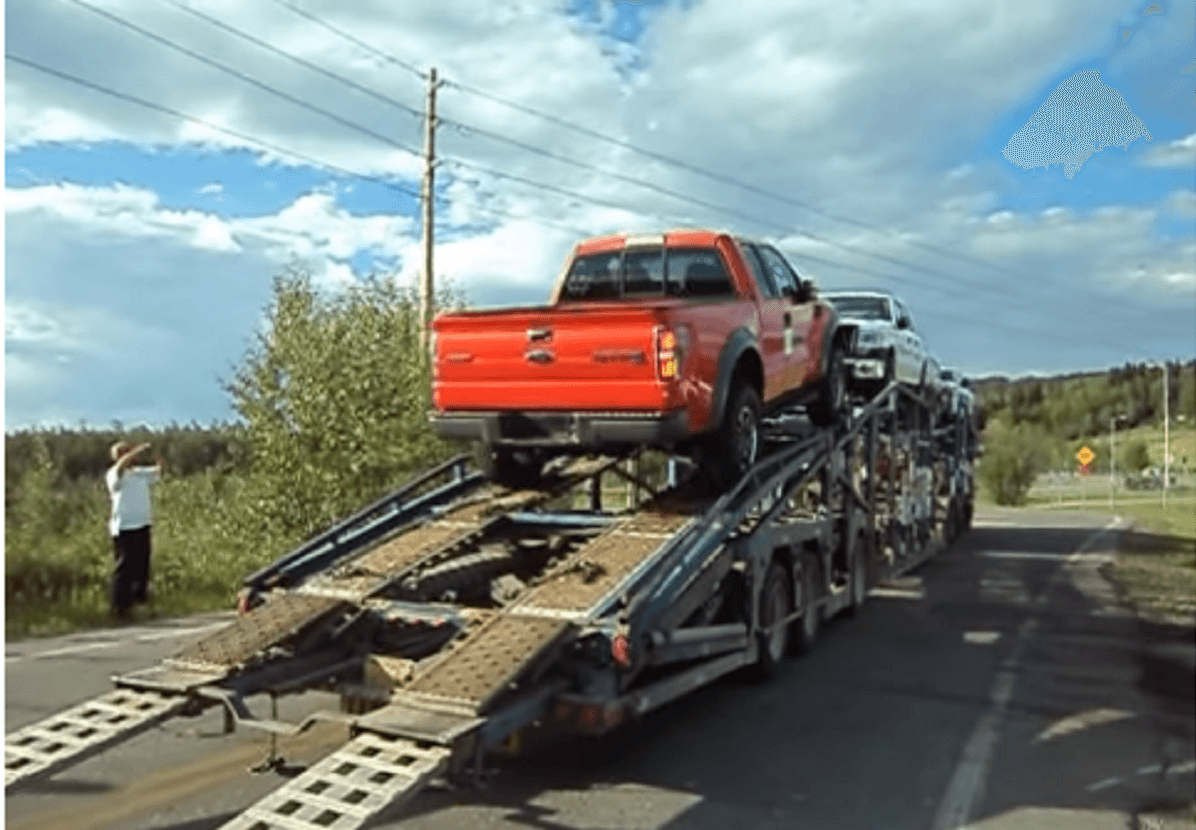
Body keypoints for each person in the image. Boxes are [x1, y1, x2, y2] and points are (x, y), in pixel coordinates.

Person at [105, 441, 164, 619]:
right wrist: (137, 450)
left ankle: (140, 604)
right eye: (123, 452)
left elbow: (160, 471)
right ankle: (120, 608)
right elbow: (121, 465)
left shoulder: (140, 473)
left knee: (142, 566)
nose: (128, 455)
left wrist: (158, 456)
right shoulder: (114, 474)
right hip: (124, 527)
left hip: (143, 525)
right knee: (124, 568)